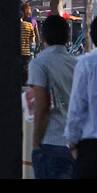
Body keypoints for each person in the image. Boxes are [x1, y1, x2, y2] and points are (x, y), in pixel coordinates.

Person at [65, 11, 97, 178]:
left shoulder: (86, 63)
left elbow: (77, 107)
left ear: (93, 37)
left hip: (92, 149)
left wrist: (72, 142)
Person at [27, 14, 76, 179]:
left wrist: (35, 142)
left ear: (43, 35)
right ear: (68, 36)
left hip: (50, 141)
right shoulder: (77, 63)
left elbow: (42, 105)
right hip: (74, 143)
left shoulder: (39, 63)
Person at [20, 2, 40, 86]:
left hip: (23, 48)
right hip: (29, 48)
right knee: (28, 65)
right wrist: (37, 44)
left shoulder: (23, 21)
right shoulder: (33, 21)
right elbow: (36, 36)